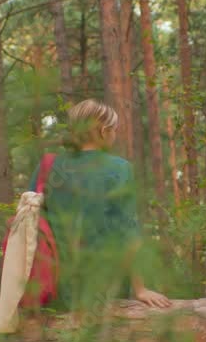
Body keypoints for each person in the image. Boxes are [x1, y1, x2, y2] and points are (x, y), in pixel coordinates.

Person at [27, 99, 171, 309]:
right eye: (114, 130)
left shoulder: (49, 166)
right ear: (104, 132)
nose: (115, 135)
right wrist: (140, 289)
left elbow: (29, 223)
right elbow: (128, 233)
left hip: (52, 290)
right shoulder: (119, 169)